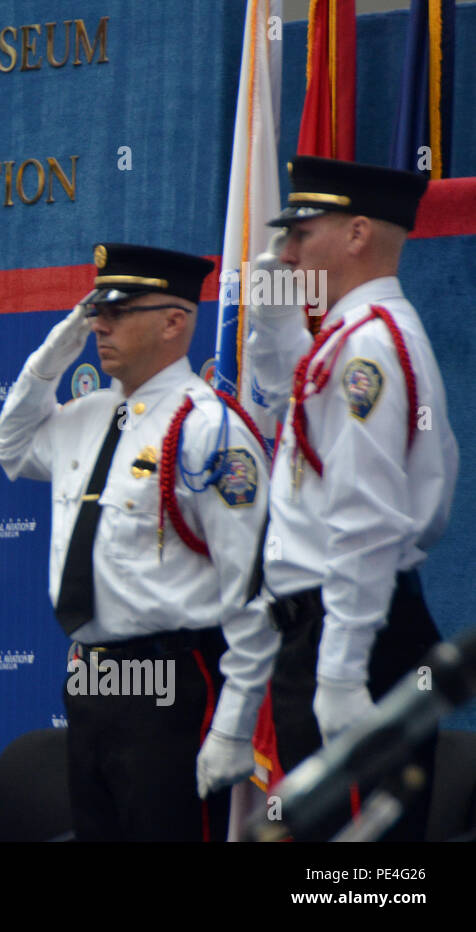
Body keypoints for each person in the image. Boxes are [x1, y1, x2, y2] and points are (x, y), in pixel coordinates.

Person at [0, 244, 278, 841]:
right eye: (97, 310)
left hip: (170, 681)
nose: (101, 324)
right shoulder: (89, 415)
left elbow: (251, 587)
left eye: (119, 311)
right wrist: (61, 344)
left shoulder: (209, 429)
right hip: (90, 680)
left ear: (174, 321)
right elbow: (11, 447)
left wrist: (232, 726)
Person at [245, 156, 457, 840]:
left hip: (355, 633)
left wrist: (340, 671)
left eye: (304, 232)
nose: (287, 250)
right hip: (331, 625)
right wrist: (271, 320)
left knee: (361, 866)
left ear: (358, 233)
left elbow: (366, 519)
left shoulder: (370, 346)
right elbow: (283, 415)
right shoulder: (344, 336)